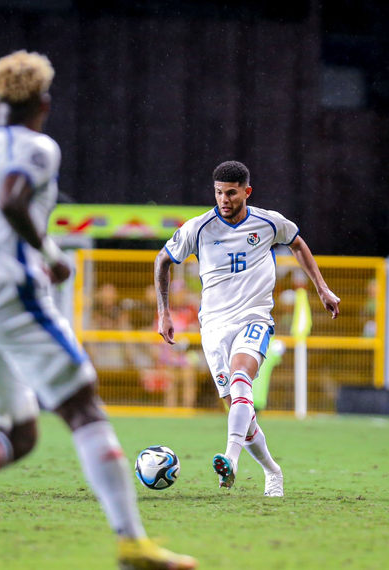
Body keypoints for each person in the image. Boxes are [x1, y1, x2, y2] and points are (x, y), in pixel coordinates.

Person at [0, 51, 196, 569]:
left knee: (21, 434)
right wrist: (49, 256)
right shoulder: (38, 147)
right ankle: (132, 542)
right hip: (11, 291)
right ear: (44, 104)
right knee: (82, 407)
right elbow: (13, 200)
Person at [154, 160, 340, 495]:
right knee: (240, 407)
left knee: (242, 377)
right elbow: (162, 260)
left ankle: (231, 460)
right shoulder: (199, 228)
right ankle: (273, 471)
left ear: (246, 192)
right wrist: (163, 311)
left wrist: (322, 288)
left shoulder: (268, 222)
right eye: (218, 193)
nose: (223, 199)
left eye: (230, 192)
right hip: (212, 328)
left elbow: (297, 242)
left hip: (254, 318)